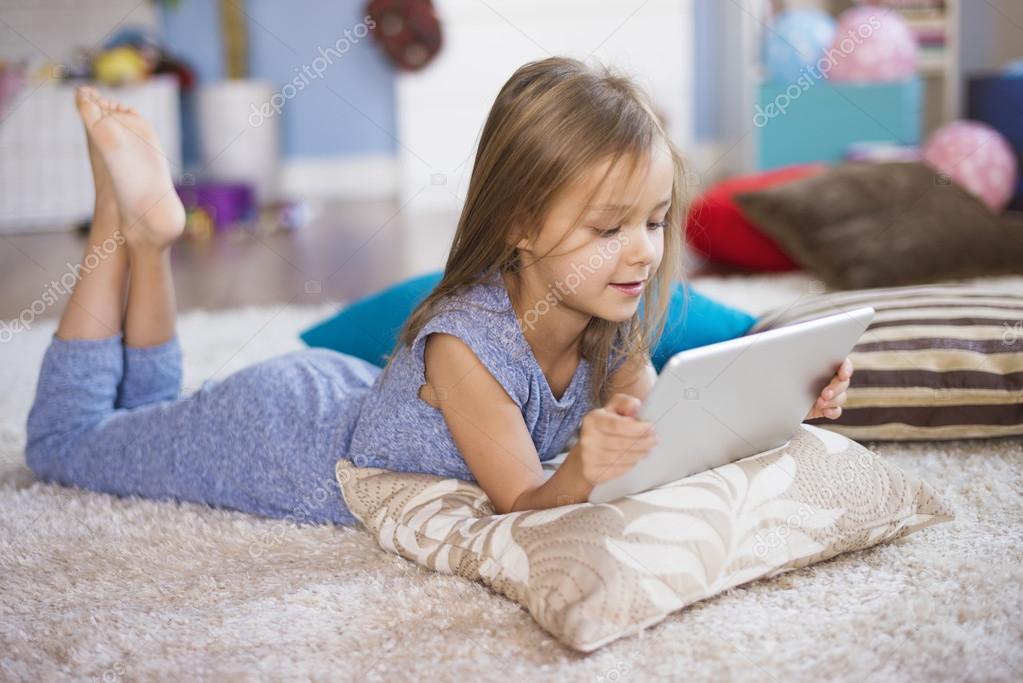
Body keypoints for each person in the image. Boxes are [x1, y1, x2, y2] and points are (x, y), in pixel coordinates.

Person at [25, 57, 852, 526]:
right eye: (608, 228)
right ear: (520, 223)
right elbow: (522, 502)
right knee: (66, 443)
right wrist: (580, 471)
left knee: (151, 411)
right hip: (277, 439)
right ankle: (113, 218)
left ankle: (149, 241)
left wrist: (784, 400)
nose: (641, 250)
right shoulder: (467, 347)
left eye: (655, 221)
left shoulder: (612, 328)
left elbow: (668, 436)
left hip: (334, 397)